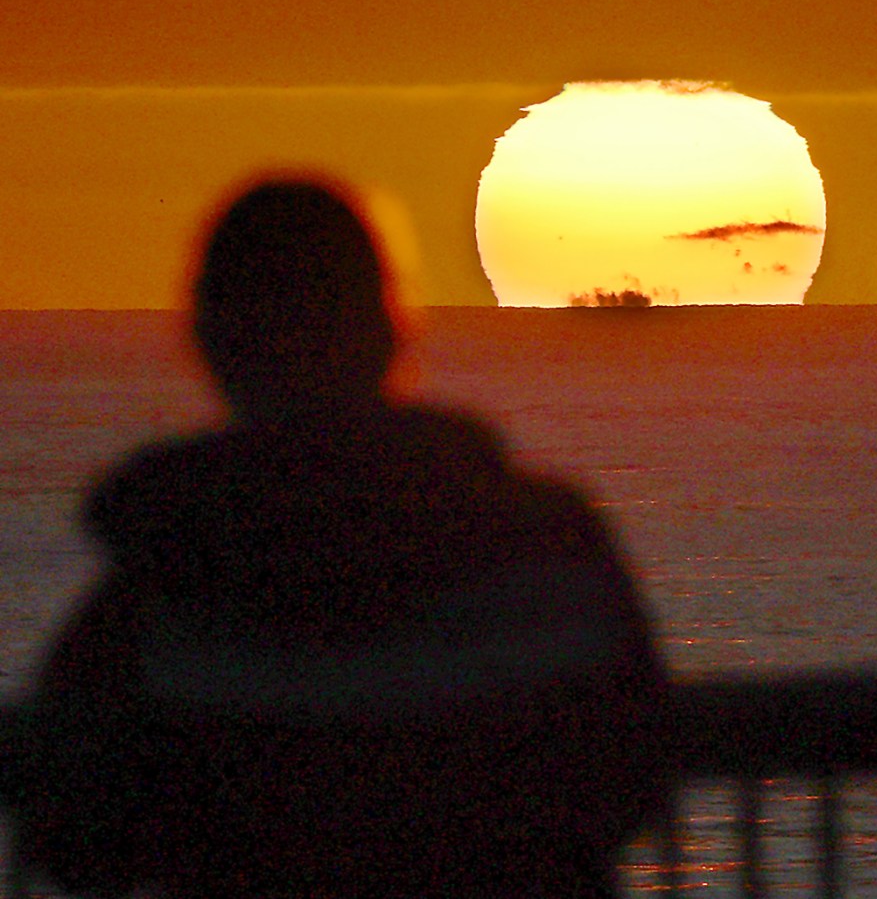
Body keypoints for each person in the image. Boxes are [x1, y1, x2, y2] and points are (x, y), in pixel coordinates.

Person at [17, 175, 671, 898]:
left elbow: (69, 836)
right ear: (390, 328)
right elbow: (632, 773)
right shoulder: (551, 547)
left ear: (210, 342)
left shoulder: (150, 596)